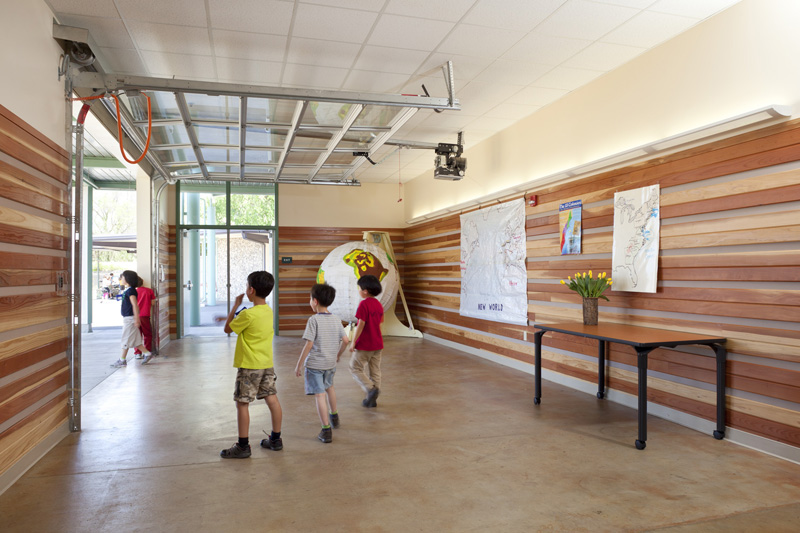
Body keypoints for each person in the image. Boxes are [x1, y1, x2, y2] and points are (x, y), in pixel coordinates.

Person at [220, 271, 283, 459]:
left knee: (242, 404)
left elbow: (227, 328)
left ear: (251, 290)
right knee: (272, 399)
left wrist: (235, 306)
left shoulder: (248, 314)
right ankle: (275, 439)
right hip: (266, 364)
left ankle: (243, 446)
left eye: (247, 286)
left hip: (249, 366)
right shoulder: (268, 311)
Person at [294, 283, 349, 443]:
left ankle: (326, 430)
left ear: (315, 301)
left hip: (315, 365)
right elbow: (346, 340)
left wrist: (299, 364)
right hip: (330, 364)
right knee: (330, 387)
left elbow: (309, 344)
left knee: (319, 395)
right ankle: (334, 416)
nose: (309, 301)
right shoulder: (336, 319)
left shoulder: (313, 320)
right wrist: (338, 355)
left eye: (310, 299)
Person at [348, 275, 384, 408]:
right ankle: (372, 399)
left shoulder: (363, 304)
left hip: (365, 344)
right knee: (375, 372)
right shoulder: (379, 305)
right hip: (377, 344)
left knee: (354, 367)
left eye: (359, 288)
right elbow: (380, 324)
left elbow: (361, 324)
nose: (358, 290)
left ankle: (370, 389)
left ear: (365, 291)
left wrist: (353, 342)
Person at [110, 271, 153, 367]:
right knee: (136, 341)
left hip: (130, 319)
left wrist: (137, 318)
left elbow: (135, 305)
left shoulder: (131, 291)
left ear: (128, 279)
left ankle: (122, 360)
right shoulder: (129, 290)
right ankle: (147, 353)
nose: (121, 279)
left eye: (123, 277)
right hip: (128, 318)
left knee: (125, 339)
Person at [133, 277, 155, 359]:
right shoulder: (149, 290)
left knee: (137, 335)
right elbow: (153, 303)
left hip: (135, 316)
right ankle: (147, 351)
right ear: (142, 281)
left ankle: (137, 353)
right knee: (147, 334)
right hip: (145, 315)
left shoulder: (133, 292)